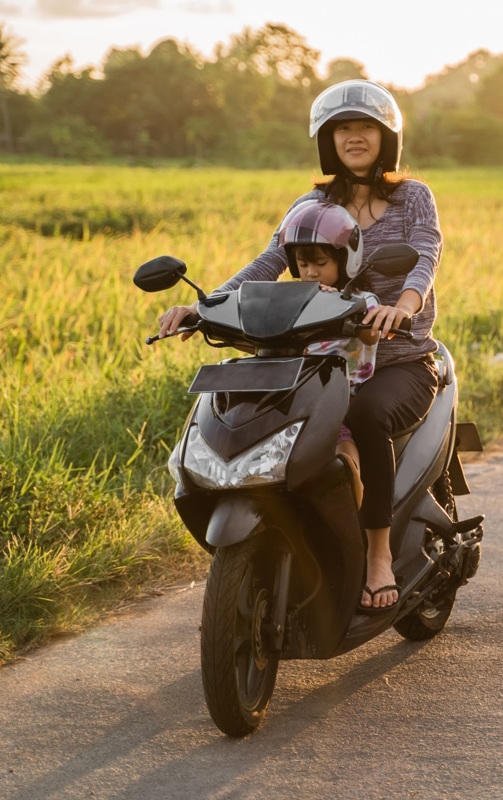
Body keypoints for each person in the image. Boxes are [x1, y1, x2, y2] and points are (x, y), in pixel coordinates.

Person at [158, 79, 442, 614]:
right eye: (341, 130)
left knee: (366, 415)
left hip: (397, 360)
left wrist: (402, 307)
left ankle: (378, 553)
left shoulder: (412, 198)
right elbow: (268, 263)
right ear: (326, 141)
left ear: (386, 137)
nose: (353, 138)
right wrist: (207, 307)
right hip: (323, 356)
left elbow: (425, 256)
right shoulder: (311, 203)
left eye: (364, 128)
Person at [280, 198, 379, 508]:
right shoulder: (293, 299)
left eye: (320, 264)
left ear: (345, 259)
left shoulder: (361, 299)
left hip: (341, 394)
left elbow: (373, 331)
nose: (310, 272)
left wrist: (341, 306)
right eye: (303, 263)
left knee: (340, 439)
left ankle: (351, 500)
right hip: (300, 392)